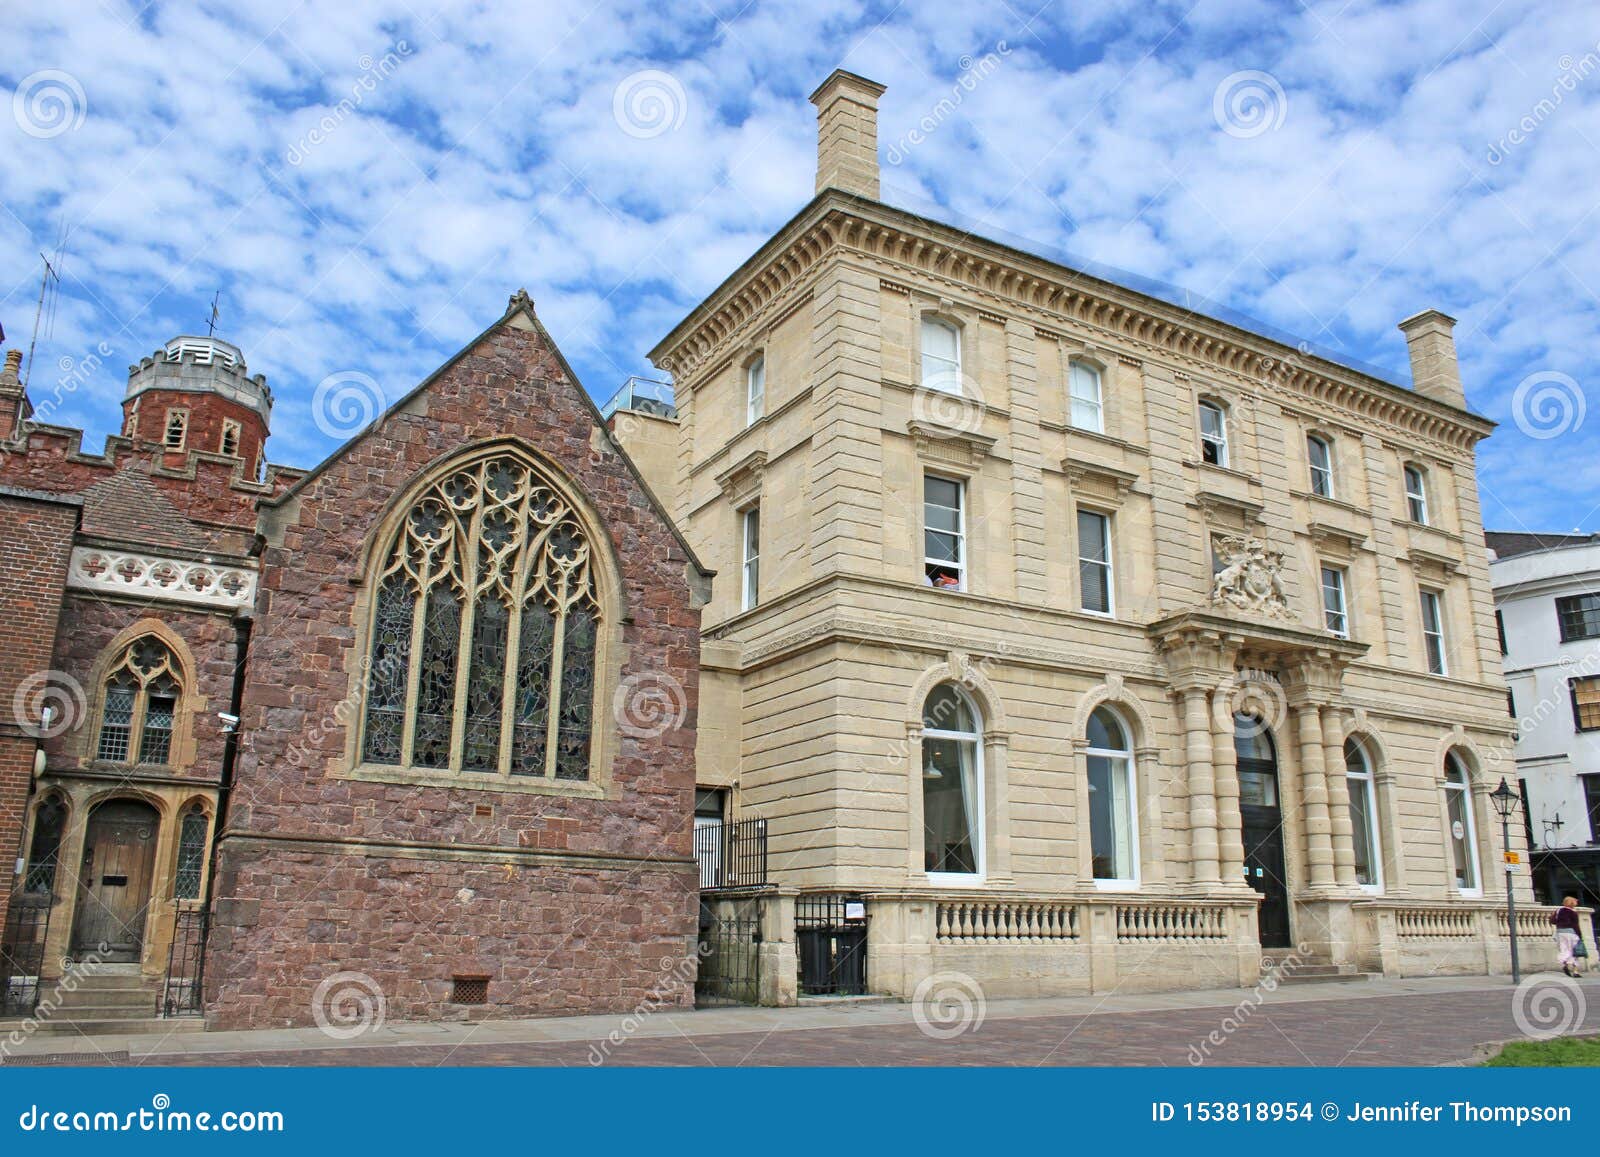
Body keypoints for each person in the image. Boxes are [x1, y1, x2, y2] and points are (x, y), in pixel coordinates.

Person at [1551, 895, 1582, 977]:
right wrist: (1579, 935)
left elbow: (1553, 921)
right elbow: (1575, 925)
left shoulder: (1558, 911)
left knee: (1564, 949)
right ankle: (1575, 971)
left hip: (1560, 932)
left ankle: (1565, 964)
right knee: (1574, 951)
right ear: (1572, 903)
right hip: (1570, 932)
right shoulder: (1573, 912)